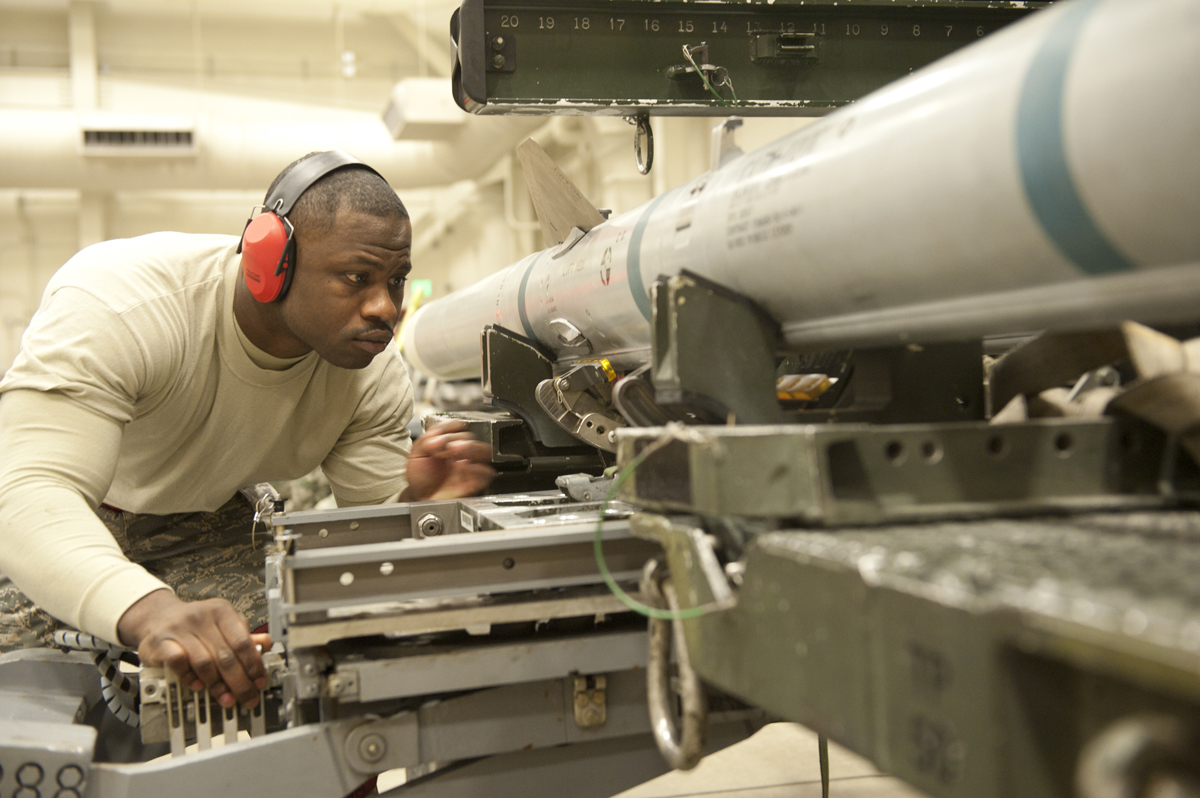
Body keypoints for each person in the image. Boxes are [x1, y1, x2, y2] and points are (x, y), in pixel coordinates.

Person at [0, 150, 493, 711]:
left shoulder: (369, 371)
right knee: (28, 707)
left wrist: (418, 501)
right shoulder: (125, 305)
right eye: (356, 279)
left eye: (396, 280)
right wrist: (150, 610)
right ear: (270, 259)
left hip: (201, 518)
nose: (386, 307)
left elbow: (374, 524)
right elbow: (29, 495)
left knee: (275, 669)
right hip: (70, 514)